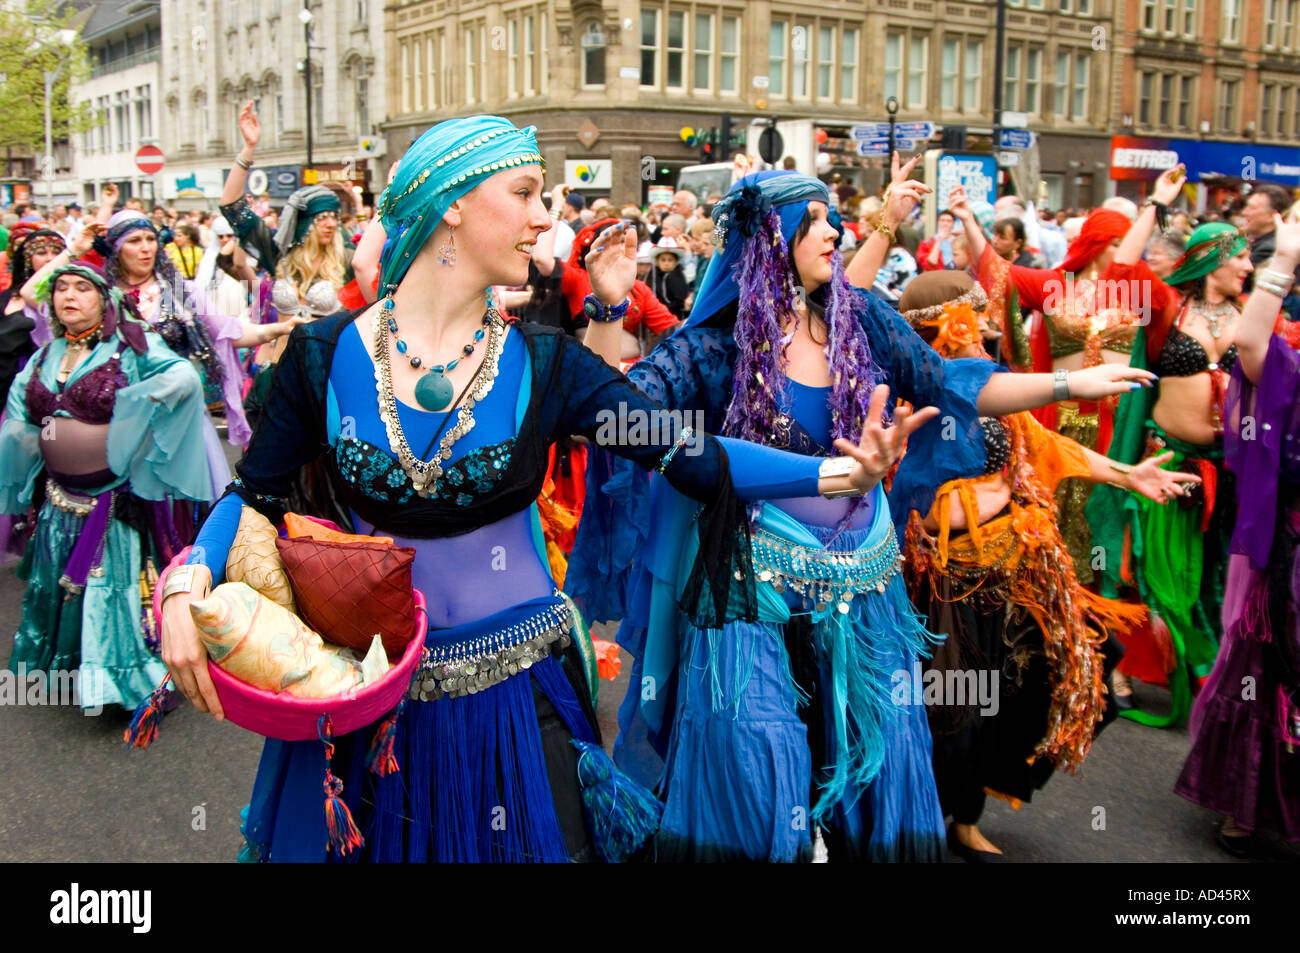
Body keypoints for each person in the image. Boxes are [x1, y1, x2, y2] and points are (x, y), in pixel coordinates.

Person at [158, 115, 903, 863]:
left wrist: (839, 472)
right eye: (524, 193)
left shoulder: (549, 365)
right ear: (452, 204)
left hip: (518, 701)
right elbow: (256, 493)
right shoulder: (323, 356)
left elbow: (689, 454)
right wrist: (188, 581)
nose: (545, 218)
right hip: (370, 699)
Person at [569, 170, 1155, 862]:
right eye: (813, 218)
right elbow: (620, 414)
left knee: (875, 752)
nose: (834, 230)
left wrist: (1067, 381)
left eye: (834, 217)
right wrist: (610, 311)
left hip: (864, 582)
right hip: (753, 584)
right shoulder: (717, 345)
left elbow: (947, 383)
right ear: (768, 237)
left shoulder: (862, 318)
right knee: (757, 753)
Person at [896, 271, 1195, 860]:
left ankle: (968, 814)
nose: (982, 326)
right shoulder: (927, 389)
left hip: (1017, 570)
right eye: (969, 316)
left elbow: (1048, 446)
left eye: (983, 314)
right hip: (945, 582)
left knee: (1049, 680)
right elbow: (954, 416)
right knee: (956, 710)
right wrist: (1068, 382)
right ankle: (925, 816)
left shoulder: (997, 387)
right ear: (938, 326)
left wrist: (1128, 475)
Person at [0, 261, 212, 711]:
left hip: (113, 501)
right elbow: (19, 406)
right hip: (58, 500)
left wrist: (133, 417)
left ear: (104, 299)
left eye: (81, 288)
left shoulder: (132, 346)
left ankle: (117, 684)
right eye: (60, 289)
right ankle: (66, 671)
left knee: (105, 595)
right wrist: (34, 438)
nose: (69, 296)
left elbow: (183, 378)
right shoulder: (46, 354)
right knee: (57, 588)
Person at [1088, 167, 1254, 727]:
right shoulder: (1167, 311)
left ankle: (1208, 671)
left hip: (1229, 467)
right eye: (1241, 260)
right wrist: (1155, 204)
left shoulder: (1251, 315)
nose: (1249, 269)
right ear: (1213, 261)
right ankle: (1121, 669)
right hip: (1168, 463)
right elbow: (1120, 274)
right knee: (1147, 572)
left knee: (1212, 574)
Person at [1176, 213, 1300, 856]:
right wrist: (1284, 259)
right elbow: (1253, 344)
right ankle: (1250, 808)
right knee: (1268, 666)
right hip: (1285, 555)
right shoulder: (1289, 369)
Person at [954, 184, 1150, 585]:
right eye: (1118, 243)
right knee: (1055, 505)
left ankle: (1105, 588)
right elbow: (998, 272)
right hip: (1060, 417)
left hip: (1120, 423)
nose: (1126, 252)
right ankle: (1055, 586)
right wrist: (968, 221)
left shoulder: (1139, 291)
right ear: (1098, 244)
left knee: (1109, 508)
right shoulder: (1055, 285)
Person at [646, 237, 689, 320]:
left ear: (675, 261)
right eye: (663, 260)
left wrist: (663, 310)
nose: (666, 263)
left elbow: (680, 301)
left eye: (670, 260)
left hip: (675, 317)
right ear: (657, 261)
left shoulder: (676, 276)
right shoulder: (656, 276)